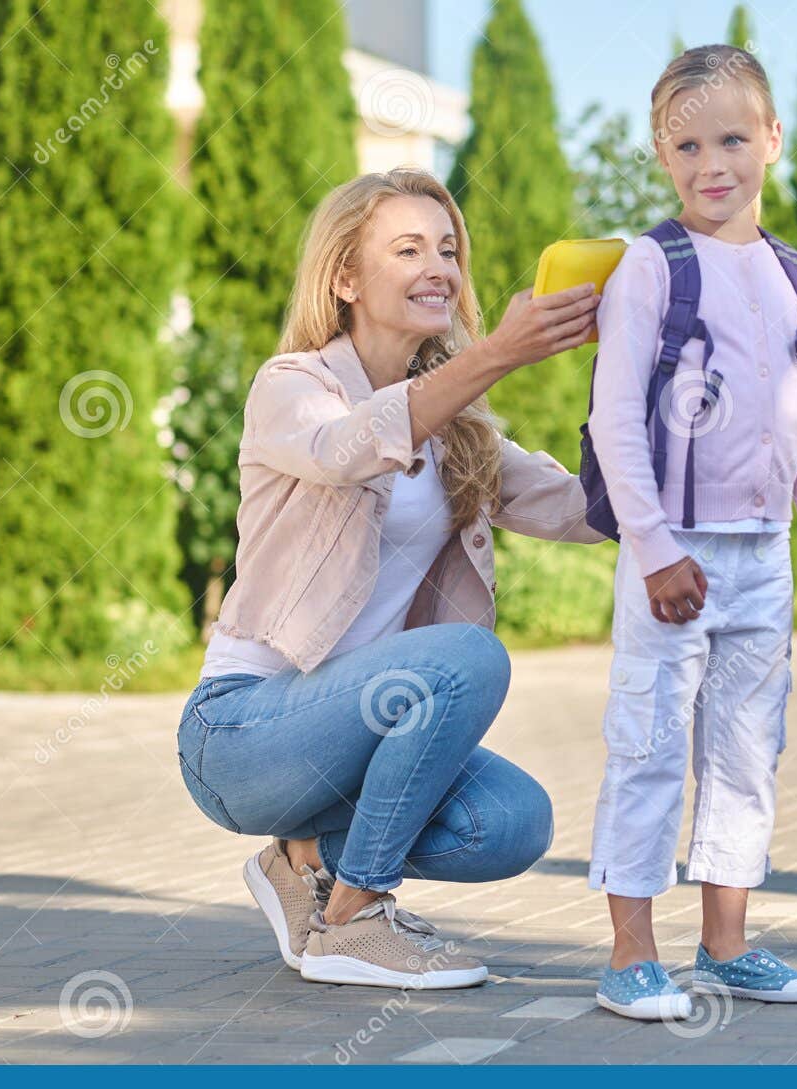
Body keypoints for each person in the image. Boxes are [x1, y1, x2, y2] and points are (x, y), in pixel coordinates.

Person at [176, 168, 603, 991]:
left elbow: (581, 508)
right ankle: (354, 917)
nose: (438, 267)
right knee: (468, 659)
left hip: (352, 734)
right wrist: (497, 353)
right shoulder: (292, 386)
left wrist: (634, 381)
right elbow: (346, 448)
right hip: (240, 734)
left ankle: (303, 858)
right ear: (345, 277)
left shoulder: (458, 431)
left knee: (511, 821)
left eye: (447, 249)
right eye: (408, 250)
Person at [584, 45, 797, 1020]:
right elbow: (616, 421)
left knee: (746, 754)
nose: (713, 163)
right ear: (663, 155)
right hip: (674, 556)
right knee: (650, 747)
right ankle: (629, 957)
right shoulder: (650, 266)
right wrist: (654, 549)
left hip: (761, 556)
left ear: (771, 139)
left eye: (733, 139)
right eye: (689, 145)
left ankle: (726, 946)